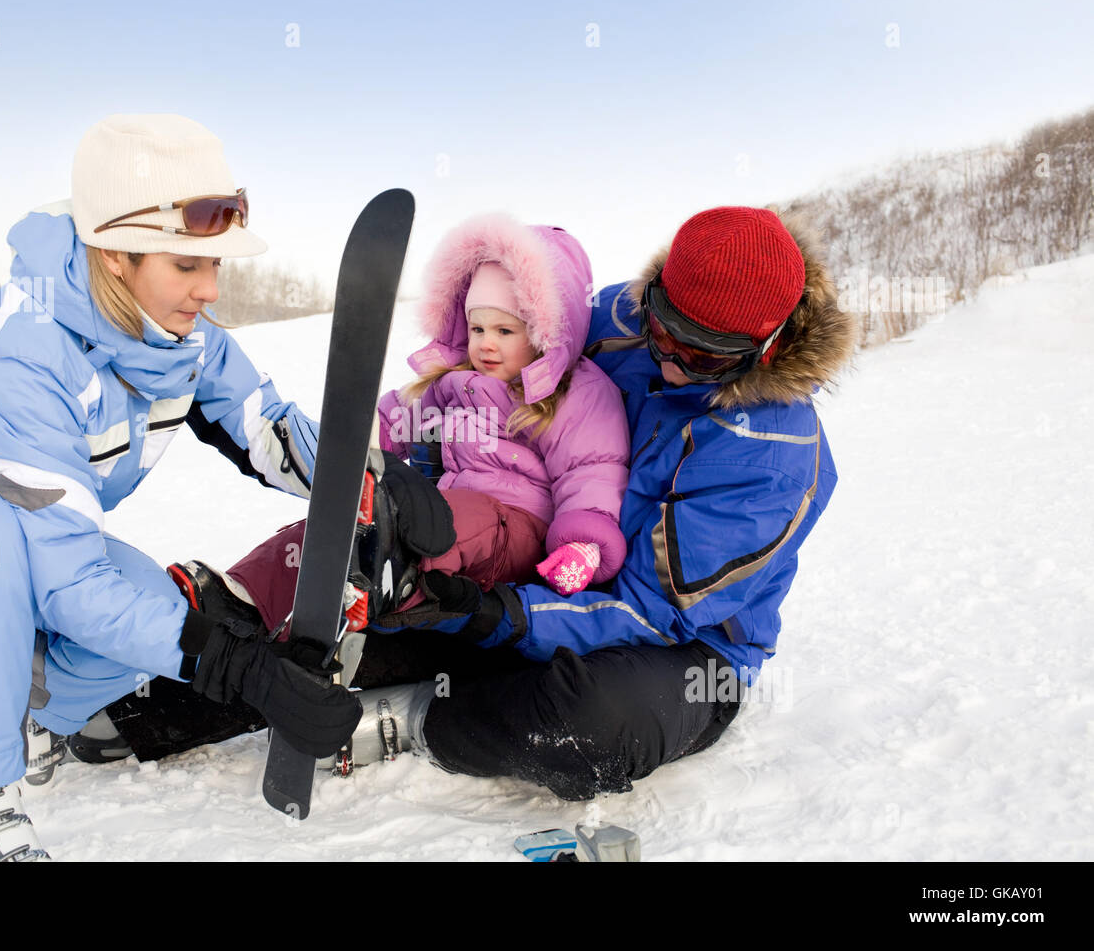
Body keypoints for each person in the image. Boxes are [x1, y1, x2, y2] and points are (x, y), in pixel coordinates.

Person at [101, 205, 858, 804]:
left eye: (699, 355)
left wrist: (503, 616)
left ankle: (426, 719)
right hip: (519, 562)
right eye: (664, 328)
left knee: (594, 724)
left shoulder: (770, 458)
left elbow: (654, 611)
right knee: (344, 610)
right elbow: (516, 346)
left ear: (764, 349)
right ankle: (128, 710)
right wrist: (428, 455)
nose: (665, 357)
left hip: (673, 647)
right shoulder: (620, 321)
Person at [0, 113, 361, 861]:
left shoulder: (181, 338)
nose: (209, 290)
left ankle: (18, 715)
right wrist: (237, 664)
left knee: (154, 608)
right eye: (186, 265)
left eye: (216, 265)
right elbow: (70, 588)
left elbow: (266, 426)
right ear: (113, 255)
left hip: (24, 543)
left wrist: (373, 483)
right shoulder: (23, 346)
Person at [219, 214, 631, 642]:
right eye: (477, 328)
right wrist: (358, 438)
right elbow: (399, 419)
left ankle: (386, 581)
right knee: (361, 517)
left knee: (429, 522)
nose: (486, 343)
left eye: (505, 330)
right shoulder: (455, 380)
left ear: (547, 333)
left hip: (523, 529)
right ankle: (242, 597)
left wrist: (584, 545)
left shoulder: (574, 392)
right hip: (450, 515)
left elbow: (593, 470)